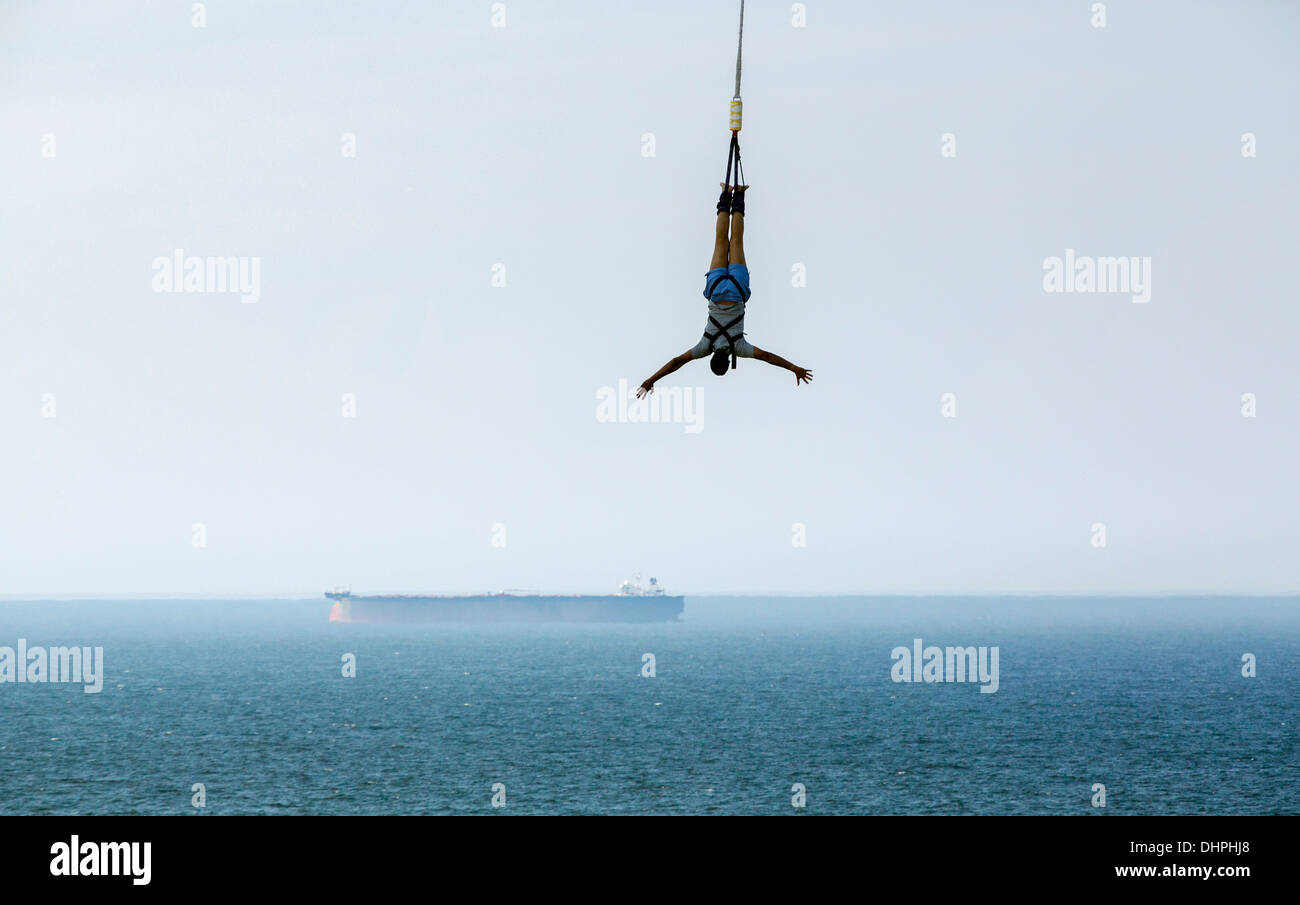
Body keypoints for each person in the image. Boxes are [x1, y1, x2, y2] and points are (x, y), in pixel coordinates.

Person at [636, 183, 813, 398]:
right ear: (711, 357)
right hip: (717, 288)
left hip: (737, 290)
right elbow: (677, 362)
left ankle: (738, 194)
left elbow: (767, 357)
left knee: (736, 241)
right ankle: (725, 193)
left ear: (728, 360)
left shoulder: (739, 347)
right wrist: (649, 380)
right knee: (721, 241)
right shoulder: (704, 346)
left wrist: (794, 368)